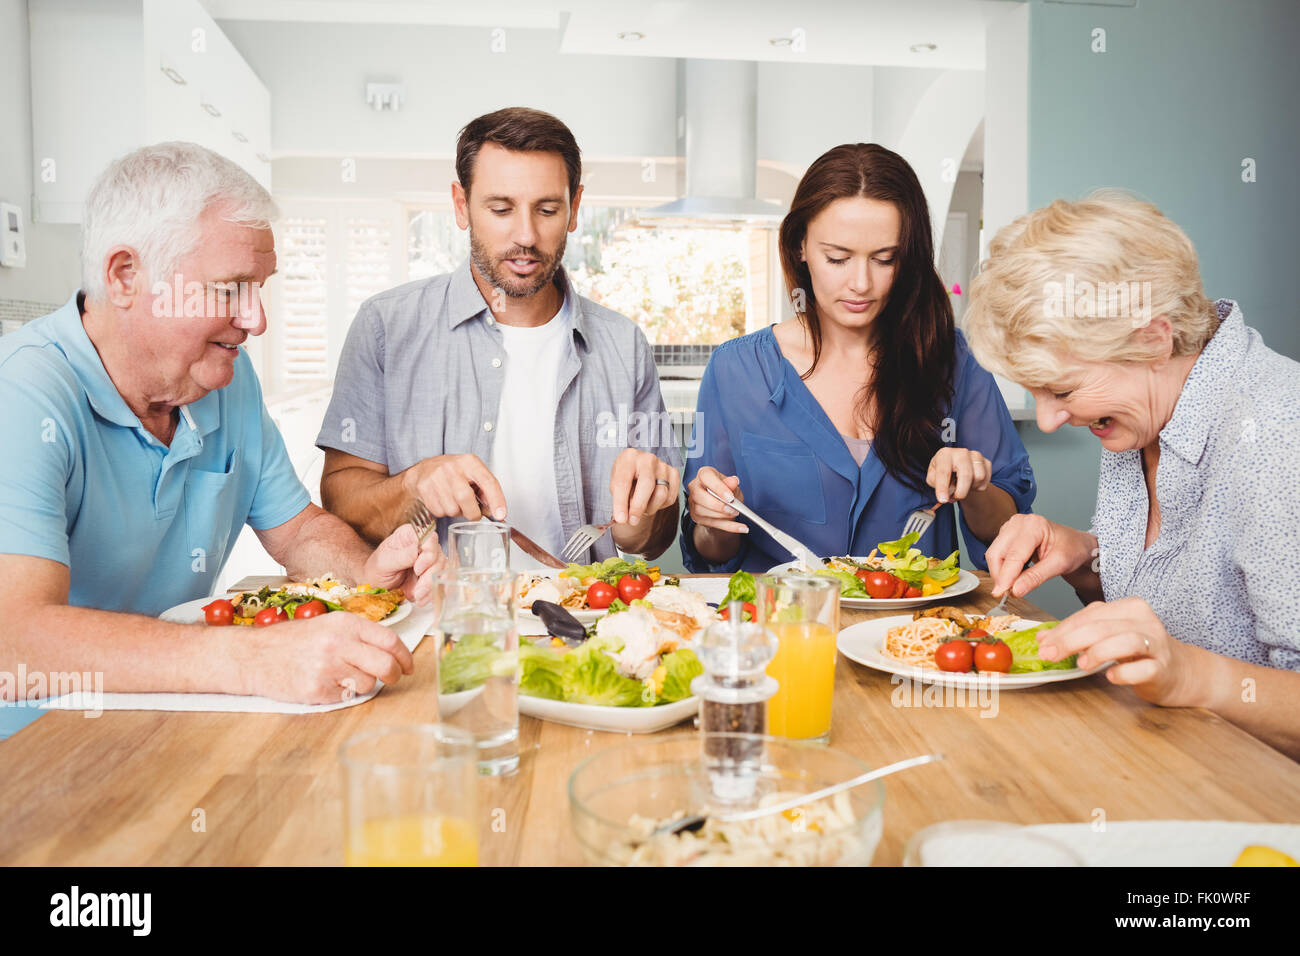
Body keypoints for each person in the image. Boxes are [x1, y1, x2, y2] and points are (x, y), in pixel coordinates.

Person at [0, 143, 444, 707]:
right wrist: (256, 658)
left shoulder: (222, 379)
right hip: (39, 753)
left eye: (260, 287)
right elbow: (11, 642)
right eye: (230, 287)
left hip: (173, 716)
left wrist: (367, 570)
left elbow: (298, 530)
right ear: (126, 276)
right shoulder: (22, 394)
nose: (256, 319)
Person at [966, 195, 1300, 758]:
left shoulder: (1275, 432)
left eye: (1062, 391)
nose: (1049, 419)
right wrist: (1085, 557)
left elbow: (1187, 655)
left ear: (1152, 339)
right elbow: (1175, 601)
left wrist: (1193, 675)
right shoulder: (1142, 407)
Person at [318, 107, 682, 566]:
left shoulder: (623, 343)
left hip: (582, 622)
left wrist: (641, 515)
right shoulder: (386, 326)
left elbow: (652, 540)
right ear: (460, 204)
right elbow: (340, 498)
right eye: (501, 208)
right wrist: (414, 487)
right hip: (437, 617)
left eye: (547, 209)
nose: (525, 235)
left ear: (574, 209)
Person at [682, 143, 1034, 573]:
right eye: (838, 258)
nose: (861, 283)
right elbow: (711, 552)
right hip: (784, 629)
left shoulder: (954, 363)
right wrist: (710, 519)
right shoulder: (735, 371)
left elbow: (1007, 533)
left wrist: (976, 485)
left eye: (885, 259)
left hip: (914, 633)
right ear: (800, 247)